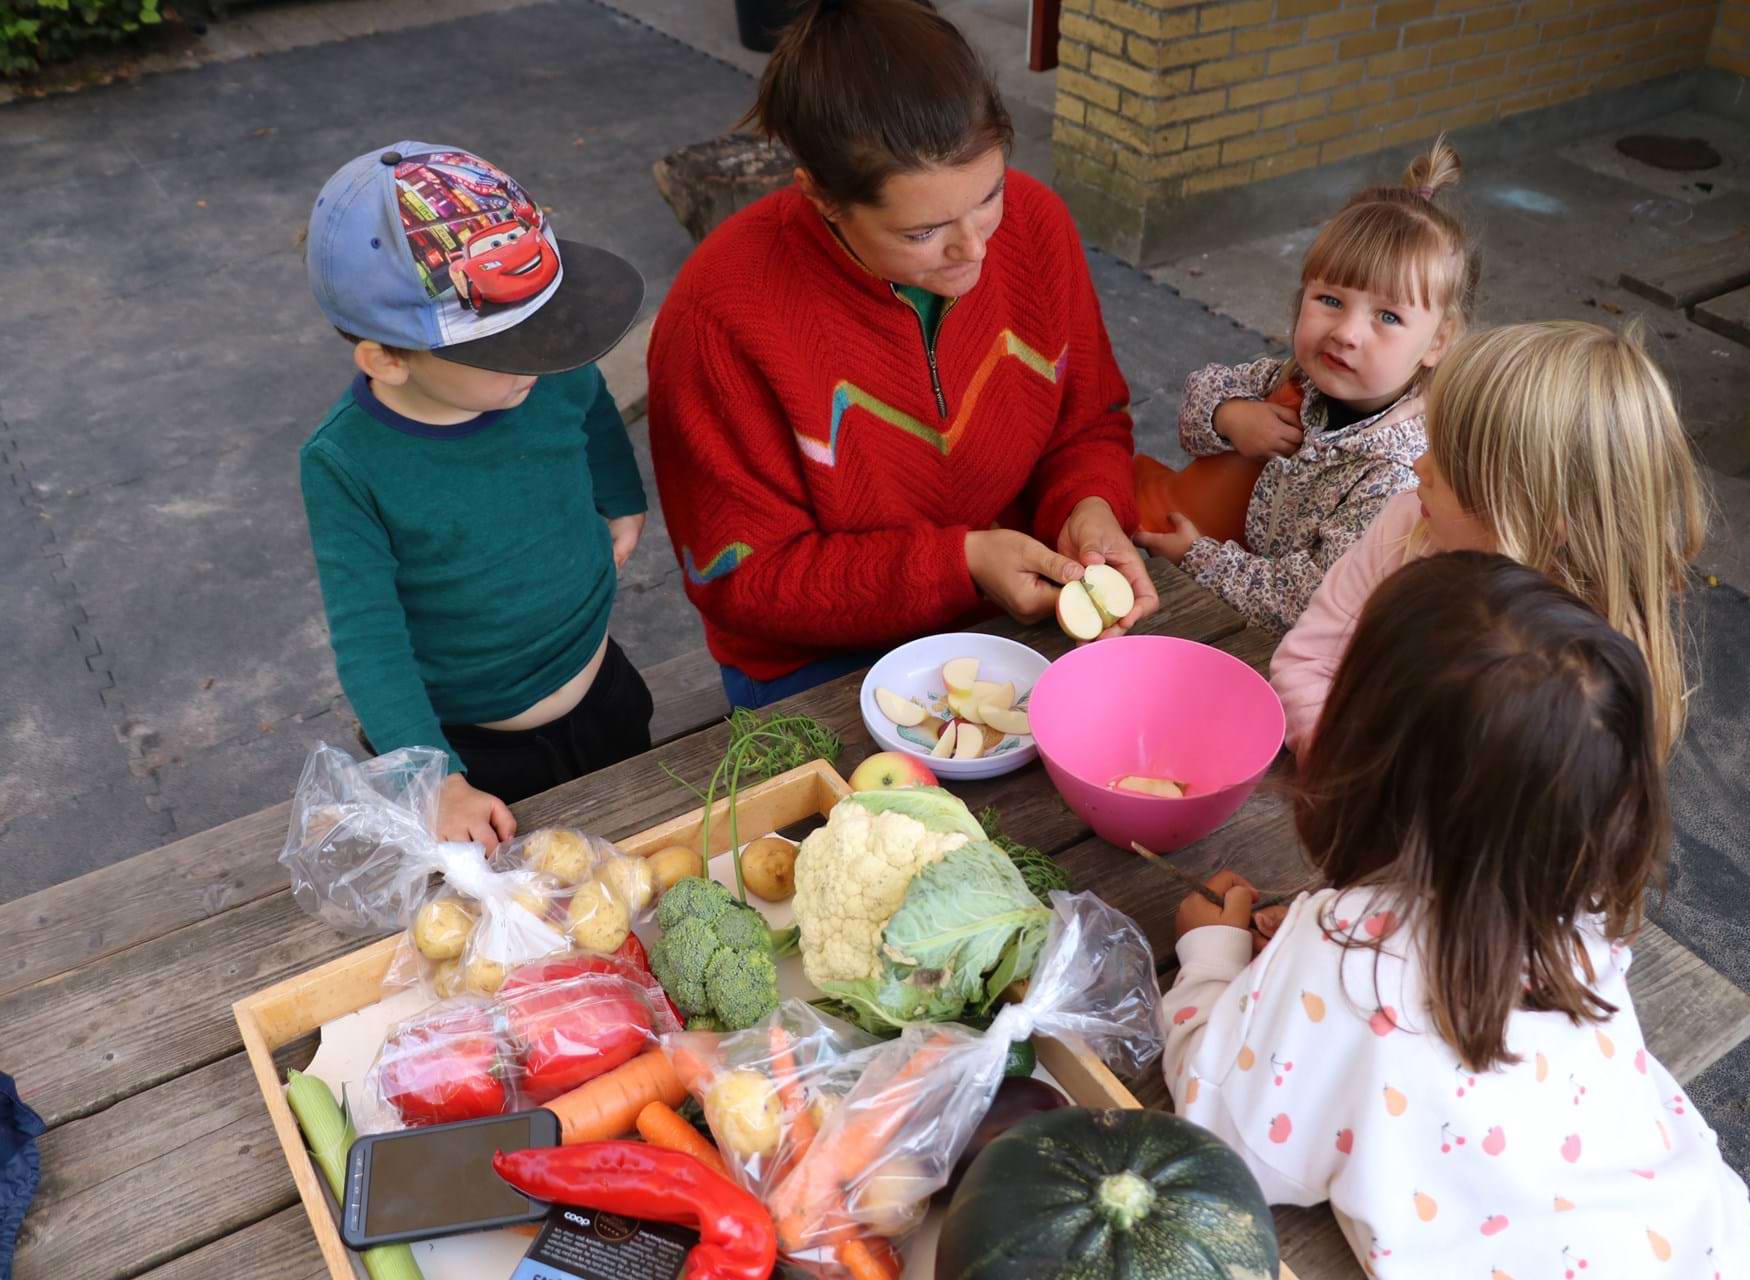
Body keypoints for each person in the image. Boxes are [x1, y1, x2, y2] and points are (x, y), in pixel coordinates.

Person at [1164, 552, 1750, 1279]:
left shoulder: (1345, 953)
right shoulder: (1583, 913)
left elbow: (1222, 1134)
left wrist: (1211, 962)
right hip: (1709, 1251)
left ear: (1364, 751)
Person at [646, 0, 1156, 710]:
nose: (975, 248)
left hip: (1018, 612)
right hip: (819, 666)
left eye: (989, 196)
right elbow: (741, 579)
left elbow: (1089, 423)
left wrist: (1091, 505)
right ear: (822, 198)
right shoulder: (720, 317)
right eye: (922, 233)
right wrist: (962, 563)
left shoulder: (1036, 227)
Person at [300, 142, 653, 848]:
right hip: (482, 754)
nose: (543, 354)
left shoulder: (545, 372)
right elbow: (369, 642)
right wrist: (436, 781)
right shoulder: (345, 464)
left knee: (640, 858)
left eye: (543, 328)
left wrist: (622, 498)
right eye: (508, 345)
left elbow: (592, 408)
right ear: (386, 360)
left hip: (601, 680)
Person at [1270, 320, 1707, 757]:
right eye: (1430, 441)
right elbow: (1308, 662)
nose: (1419, 466)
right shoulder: (1408, 526)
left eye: (1451, 464)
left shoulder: (1592, 653)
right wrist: (1348, 767)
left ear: (1537, 513)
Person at [1132, 137, 1479, 633]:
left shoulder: (1396, 476)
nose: (1347, 332)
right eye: (1330, 300)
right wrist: (1229, 417)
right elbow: (1197, 397)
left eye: (1387, 316)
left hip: (1293, 647)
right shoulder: (1295, 379)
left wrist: (1198, 557)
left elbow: (1306, 600)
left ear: (1437, 342)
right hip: (1232, 582)